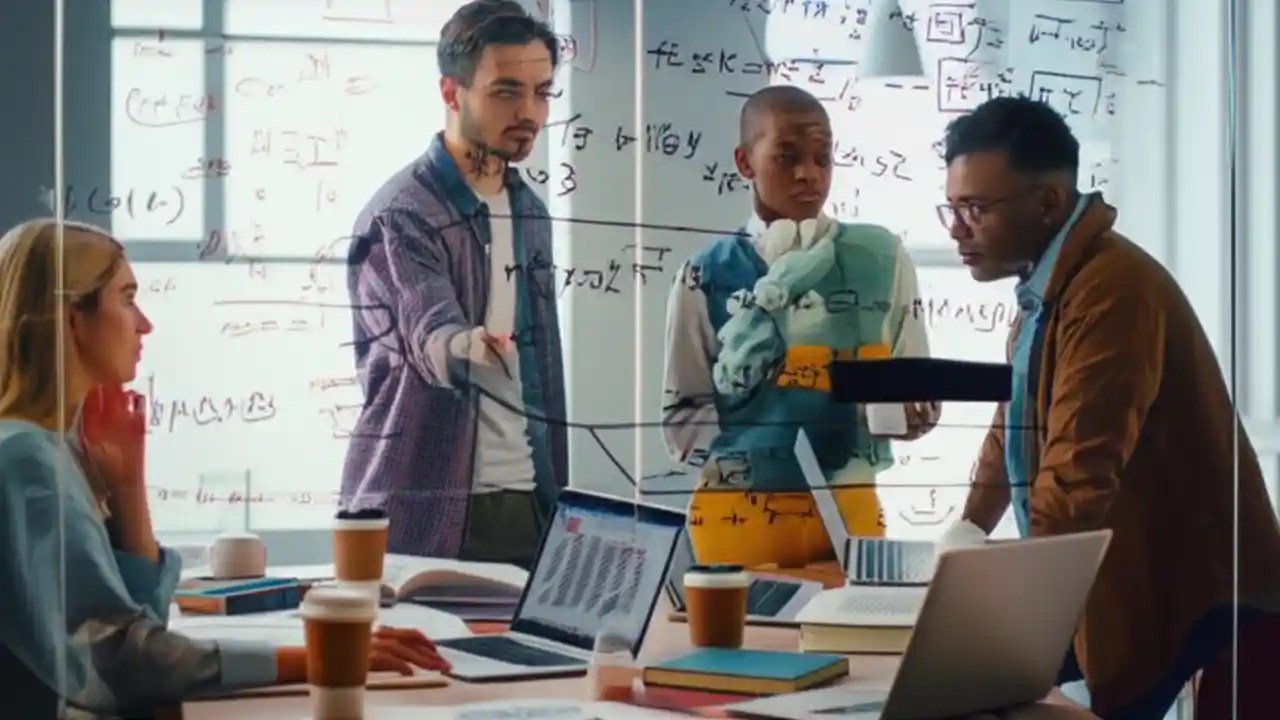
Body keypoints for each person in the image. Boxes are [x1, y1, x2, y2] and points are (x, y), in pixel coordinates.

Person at [0, 219, 449, 719]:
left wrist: (127, 485)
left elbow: (141, 629)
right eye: (126, 299)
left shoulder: (50, 451)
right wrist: (318, 658)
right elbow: (121, 663)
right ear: (71, 317)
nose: (144, 324)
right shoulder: (28, 462)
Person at [933, 96, 1280, 720]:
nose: (957, 229)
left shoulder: (1111, 290)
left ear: (1048, 204)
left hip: (1197, 594)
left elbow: (1078, 472)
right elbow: (1012, 426)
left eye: (975, 209)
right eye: (952, 208)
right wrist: (967, 532)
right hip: (1120, 577)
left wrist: (1007, 612)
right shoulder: (1048, 285)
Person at [662, 85, 938, 569]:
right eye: (786, 157)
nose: (809, 173)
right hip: (738, 527)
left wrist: (914, 414)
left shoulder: (881, 259)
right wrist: (767, 434)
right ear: (745, 162)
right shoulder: (703, 274)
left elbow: (919, 391)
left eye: (822, 158)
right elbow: (679, 420)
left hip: (850, 524)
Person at [340, 0, 566, 567]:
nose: (529, 112)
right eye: (506, 91)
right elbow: (428, 328)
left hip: (529, 499)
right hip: (427, 506)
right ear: (451, 92)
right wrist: (464, 347)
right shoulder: (403, 212)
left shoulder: (531, 212)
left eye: (541, 92)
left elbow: (539, 370)